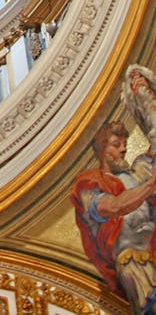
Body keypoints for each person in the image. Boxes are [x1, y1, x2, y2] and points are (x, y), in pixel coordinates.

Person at [70, 121, 156, 312]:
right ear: (102, 149)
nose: (124, 149)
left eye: (125, 144)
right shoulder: (90, 185)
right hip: (134, 264)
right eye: (116, 145)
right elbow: (116, 206)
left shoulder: (136, 174)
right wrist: (150, 186)